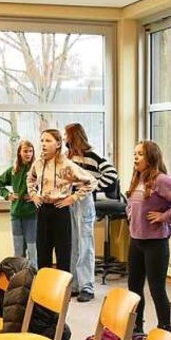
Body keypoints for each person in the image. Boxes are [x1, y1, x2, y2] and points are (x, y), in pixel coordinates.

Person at [125, 140, 171, 335]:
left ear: (151, 157)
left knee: (156, 288)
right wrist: (130, 213)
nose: (136, 157)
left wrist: (165, 217)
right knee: (134, 287)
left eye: (140, 154)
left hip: (155, 243)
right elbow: (131, 202)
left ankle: (165, 328)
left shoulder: (161, 180)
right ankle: (137, 328)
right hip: (136, 240)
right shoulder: (138, 178)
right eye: (135, 153)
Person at [27, 129, 96, 275]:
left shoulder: (67, 164)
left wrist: (74, 197)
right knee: (43, 255)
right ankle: (43, 289)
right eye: (42, 141)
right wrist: (33, 194)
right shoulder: (38, 163)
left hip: (60, 210)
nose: (43, 144)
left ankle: (63, 289)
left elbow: (91, 182)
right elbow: (30, 179)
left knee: (63, 255)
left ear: (58, 144)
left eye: (48, 141)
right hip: (43, 209)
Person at [65, 123, 119, 303]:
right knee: (73, 244)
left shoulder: (92, 156)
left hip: (84, 201)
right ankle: (74, 284)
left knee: (85, 243)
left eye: (66, 135)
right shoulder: (68, 156)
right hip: (69, 200)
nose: (64, 139)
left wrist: (92, 187)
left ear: (73, 136)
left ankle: (86, 286)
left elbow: (111, 174)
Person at [0, 139, 38, 268]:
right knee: (18, 249)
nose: (28, 154)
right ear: (19, 152)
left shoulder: (37, 169)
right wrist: (8, 195)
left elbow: (46, 186)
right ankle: (19, 274)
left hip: (32, 214)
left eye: (30, 151)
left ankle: (33, 273)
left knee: (32, 248)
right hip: (16, 214)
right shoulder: (13, 170)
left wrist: (36, 195)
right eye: (25, 151)